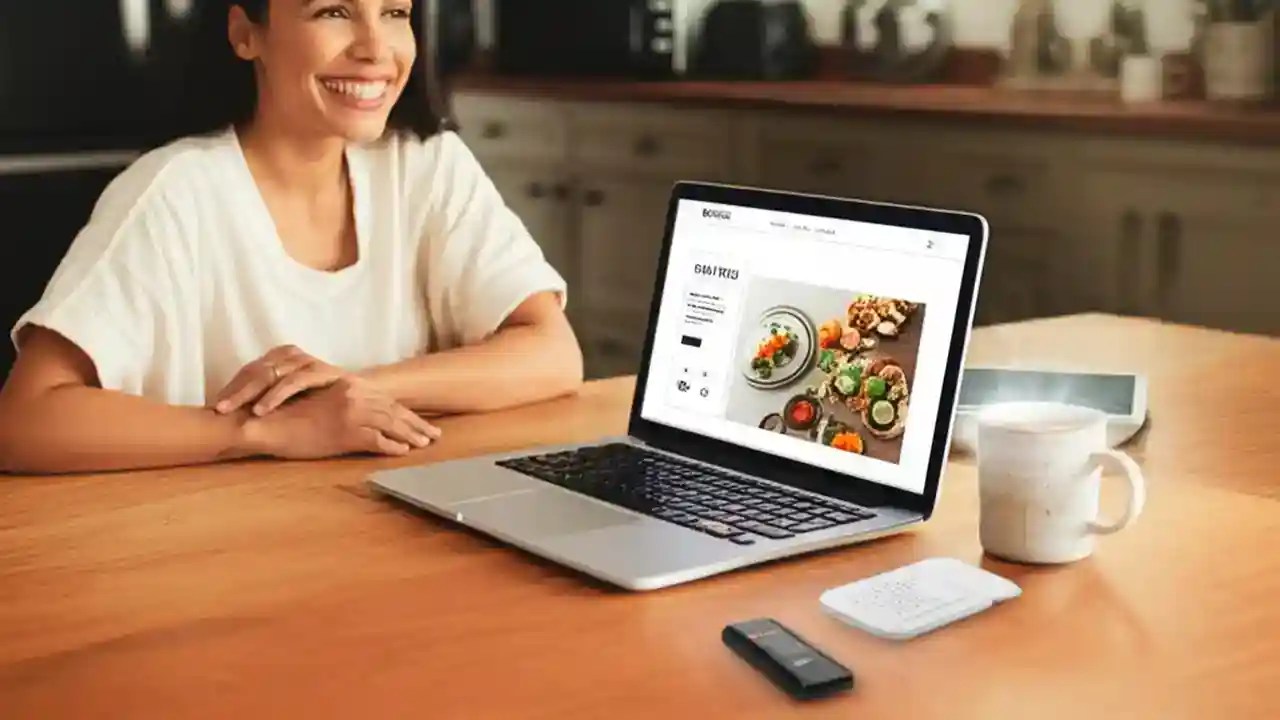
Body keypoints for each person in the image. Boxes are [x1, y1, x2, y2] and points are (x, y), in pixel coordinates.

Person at [0, 0, 582, 475]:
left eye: (396, 13)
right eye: (333, 12)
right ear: (245, 34)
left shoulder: (426, 165)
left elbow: (555, 354)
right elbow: (24, 422)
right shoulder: (172, 193)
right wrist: (264, 429)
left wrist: (356, 392)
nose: (375, 49)